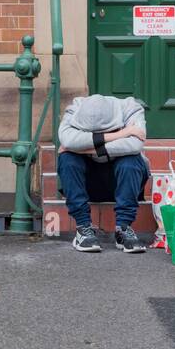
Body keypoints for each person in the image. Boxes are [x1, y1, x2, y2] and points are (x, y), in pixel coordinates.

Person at [57, 94, 149, 253]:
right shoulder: (75, 108)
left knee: (131, 161)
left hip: (120, 181)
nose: (98, 137)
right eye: (90, 133)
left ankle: (124, 228)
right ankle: (83, 228)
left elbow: (134, 145)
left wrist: (84, 145)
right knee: (67, 158)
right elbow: (68, 141)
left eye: (102, 132)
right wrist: (121, 134)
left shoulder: (131, 109)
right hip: (87, 182)